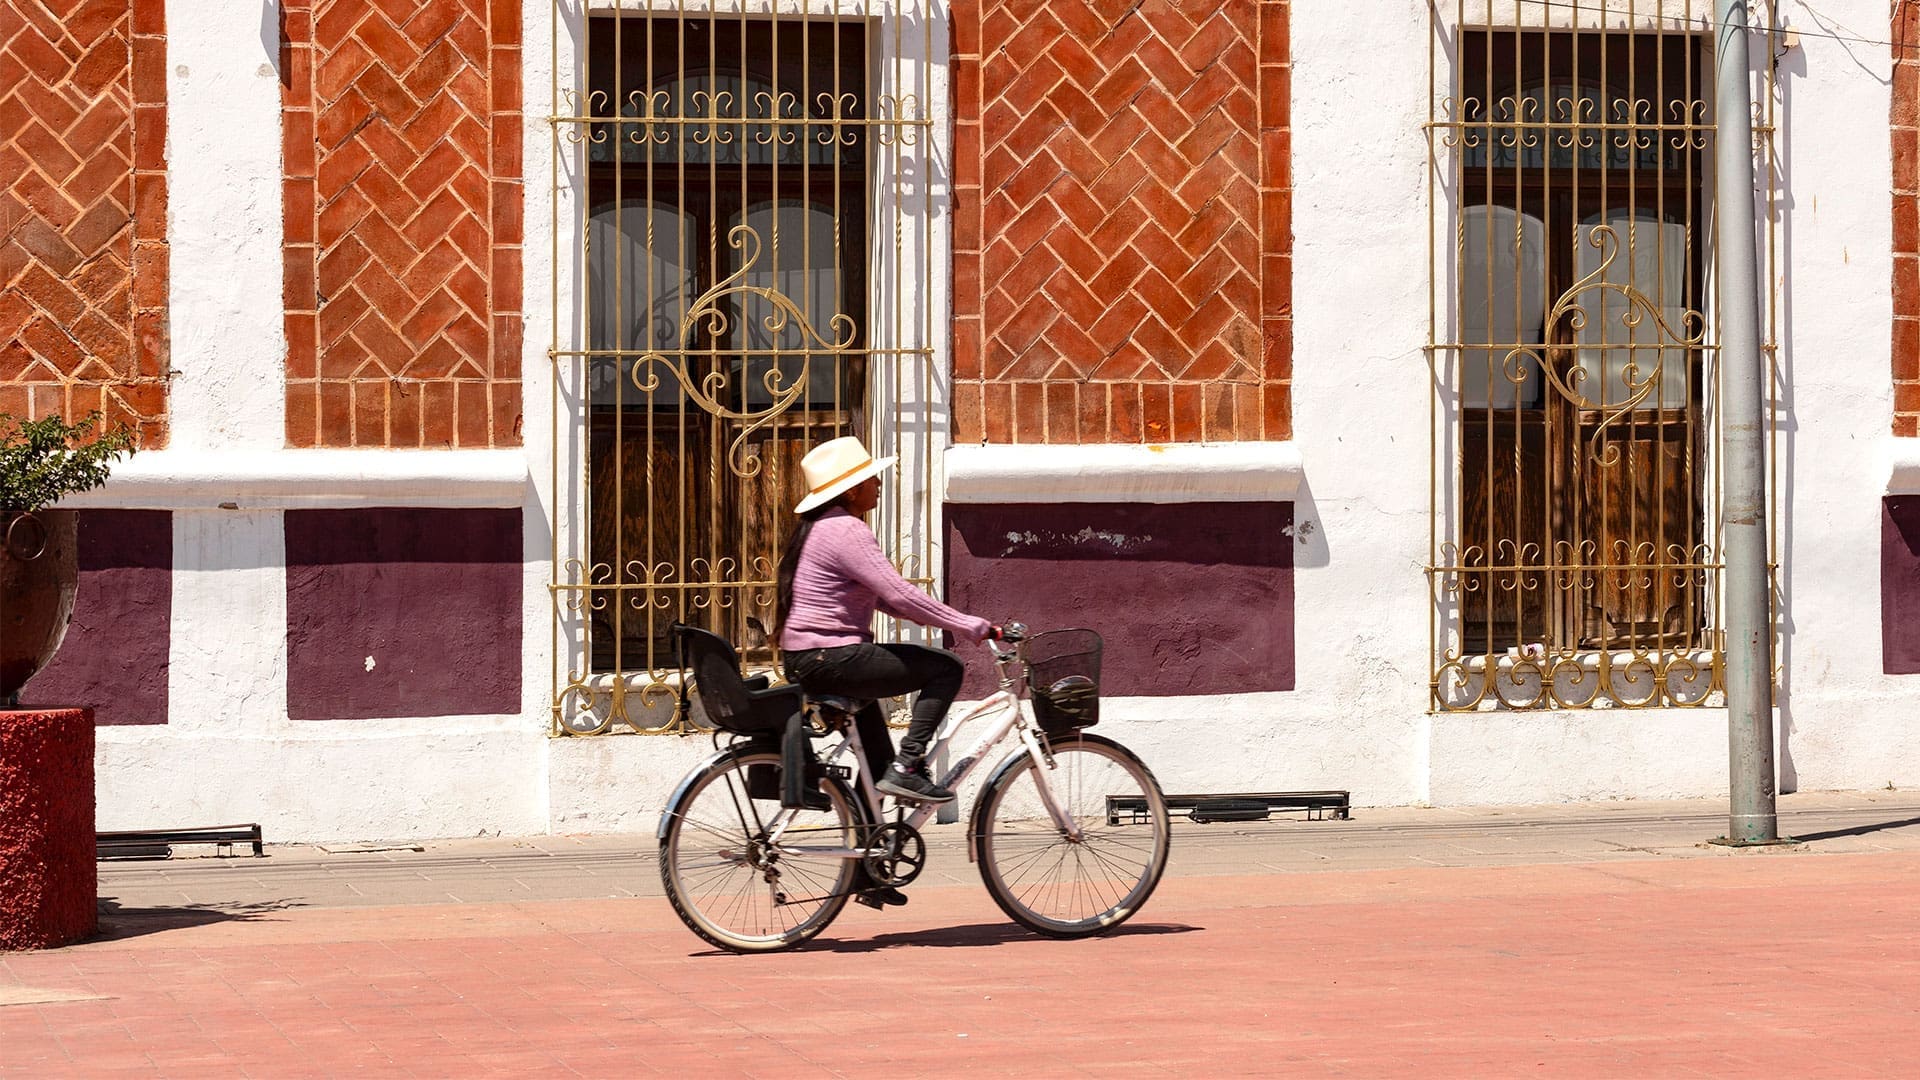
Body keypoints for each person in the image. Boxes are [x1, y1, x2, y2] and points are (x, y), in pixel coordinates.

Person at [776, 435, 999, 818]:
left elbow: (883, 600)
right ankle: (910, 764)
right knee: (946, 667)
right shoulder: (846, 529)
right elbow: (898, 594)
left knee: (877, 775)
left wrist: (926, 614)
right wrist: (968, 625)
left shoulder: (822, 527)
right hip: (832, 657)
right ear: (851, 490)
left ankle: (867, 869)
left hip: (812, 658)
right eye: (871, 478)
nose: (879, 484)